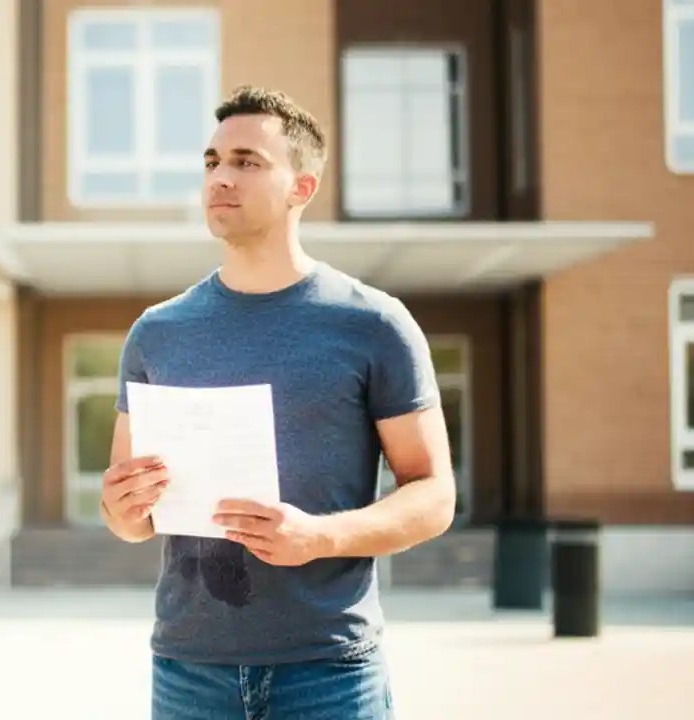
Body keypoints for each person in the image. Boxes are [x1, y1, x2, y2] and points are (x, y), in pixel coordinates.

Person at [100, 85, 457, 719]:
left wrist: (320, 536)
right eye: (212, 162)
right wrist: (123, 509)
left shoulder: (373, 324)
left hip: (329, 672)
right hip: (188, 673)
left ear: (303, 187)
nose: (221, 178)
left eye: (246, 161)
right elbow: (133, 518)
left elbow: (433, 495)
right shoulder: (157, 332)